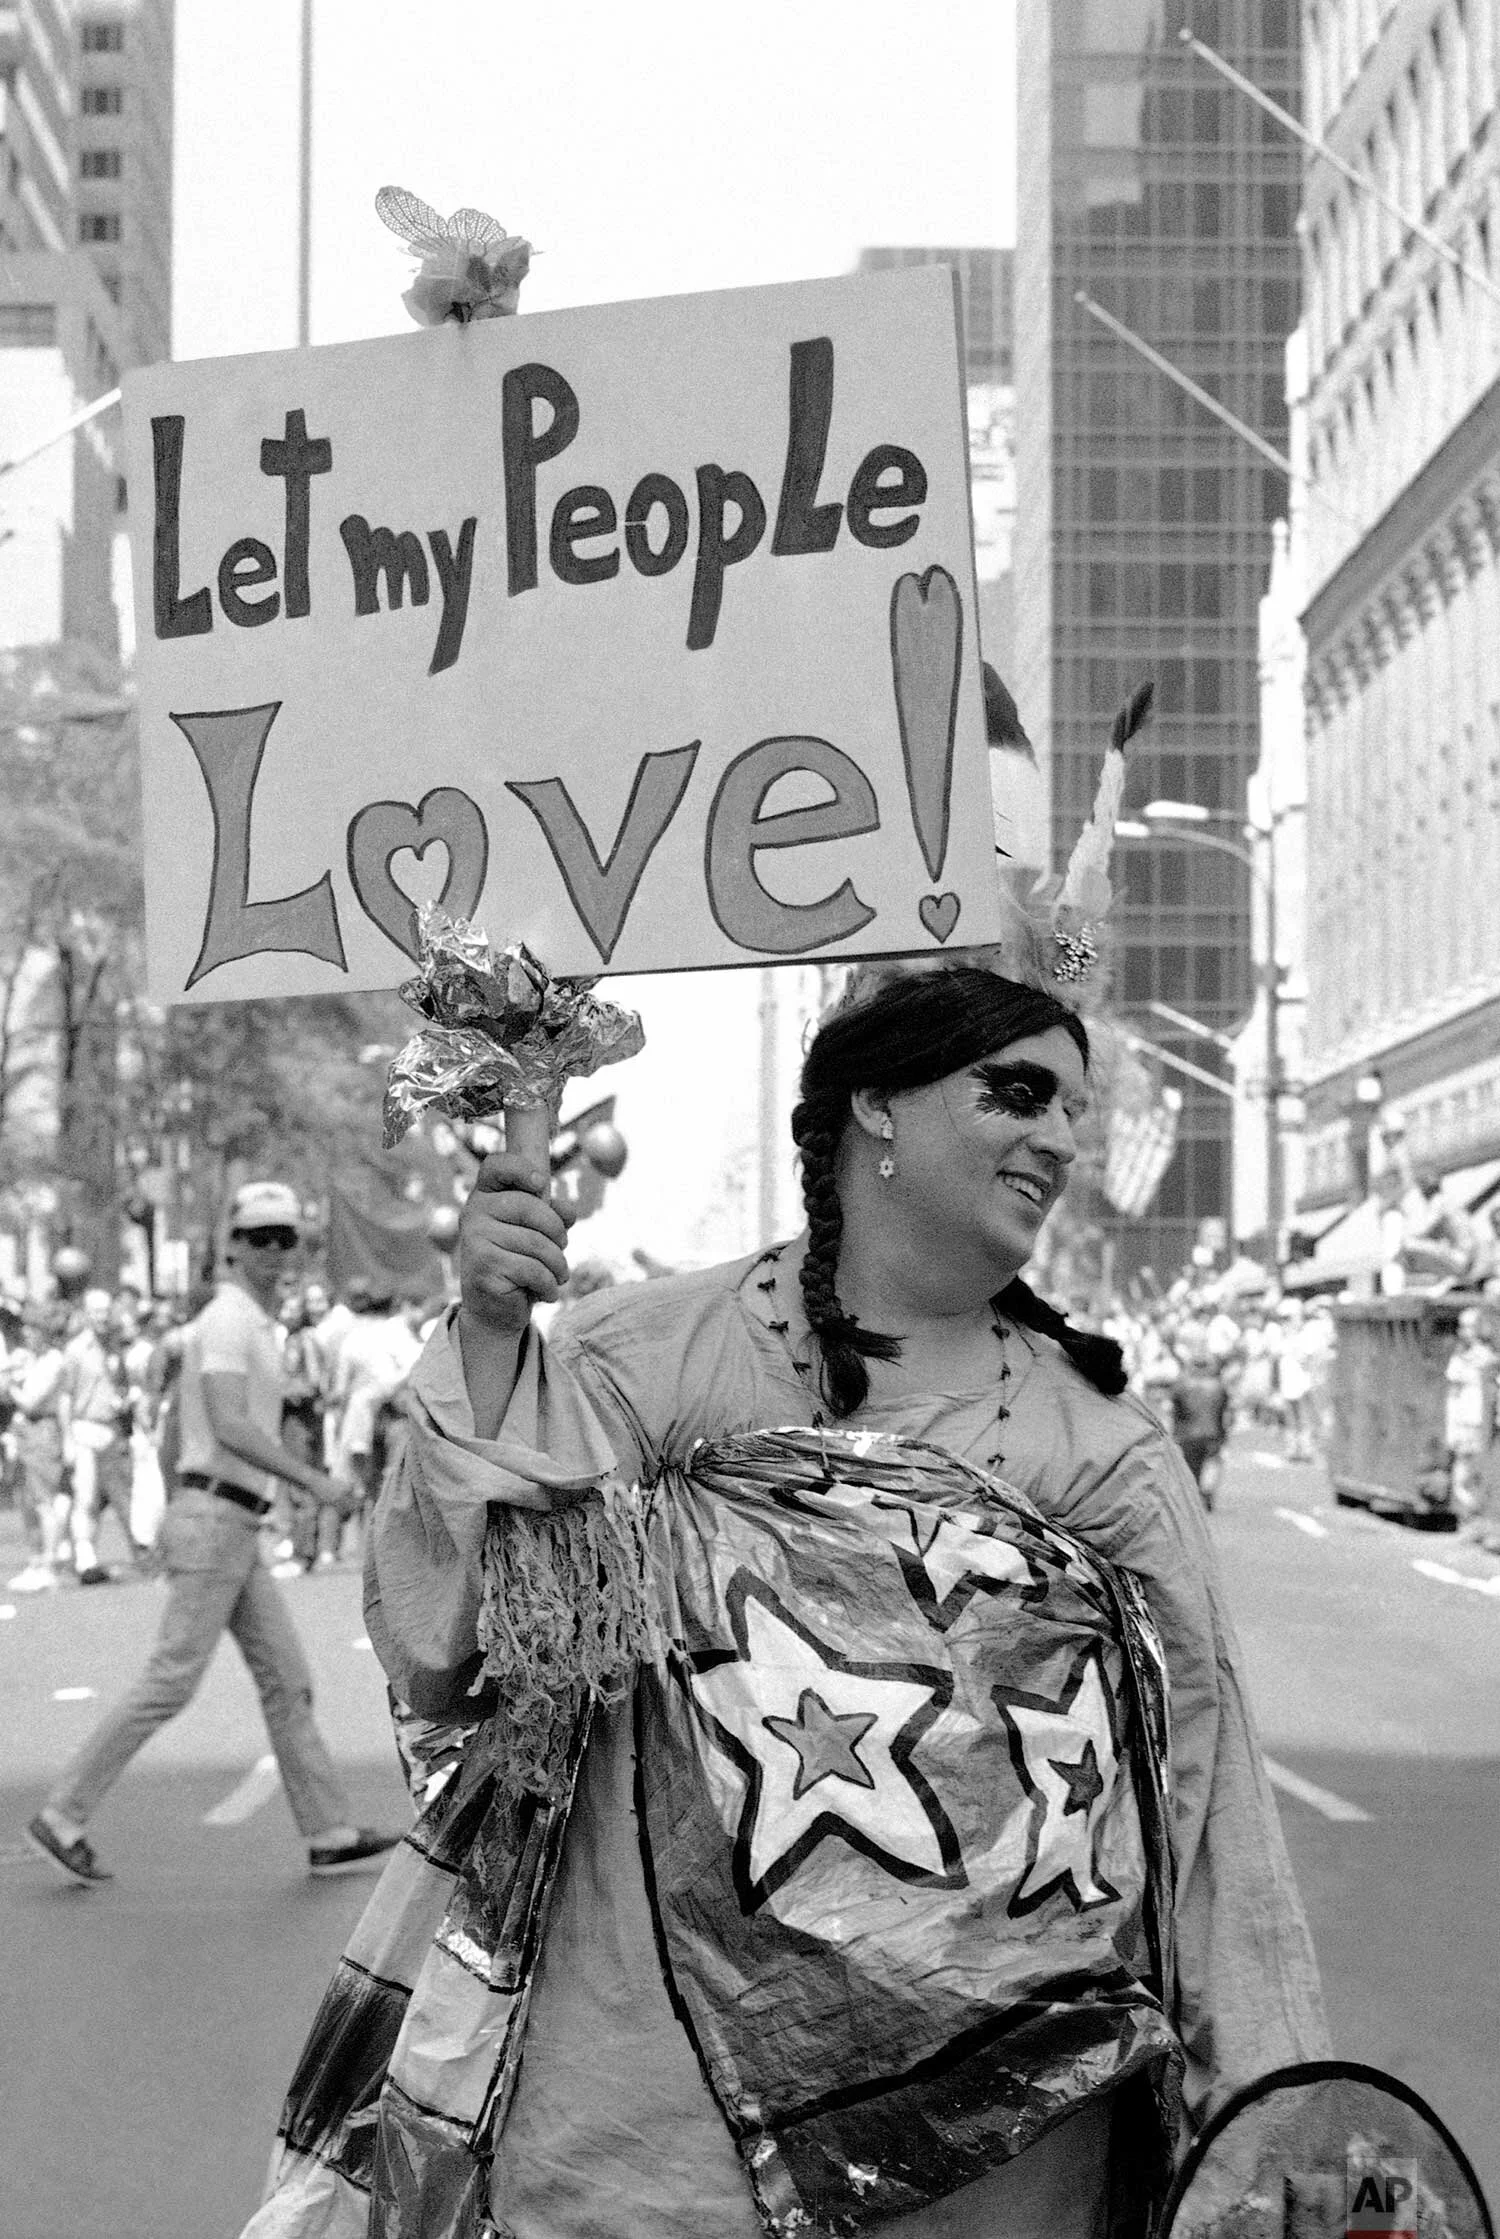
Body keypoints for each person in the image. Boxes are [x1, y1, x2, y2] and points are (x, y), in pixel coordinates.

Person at [250, 968, 1327, 2239]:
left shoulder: (1107, 1455)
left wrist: (1268, 2122)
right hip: (657, 2160)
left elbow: (1207, 1807)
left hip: (1004, 2174)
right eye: (1018, 1092)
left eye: (1072, 1112)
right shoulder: (645, 1363)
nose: (1058, 1138)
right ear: (876, 1106)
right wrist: (490, 1328)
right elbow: (463, 1638)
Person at [26, 1181, 402, 1889]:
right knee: (172, 1680)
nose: (275, 1250)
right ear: (232, 1245)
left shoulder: (248, 1323)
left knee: (286, 1680)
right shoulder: (229, 1320)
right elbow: (229, 1423)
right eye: (260, 1236)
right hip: (217, 1519)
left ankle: (328, 1831)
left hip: (227, 1520)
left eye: (285, 1237)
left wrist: (179, 1505)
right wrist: (312, 1481)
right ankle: (63, 1813)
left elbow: (182, 1424)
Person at [57, 1287, 139, 1582]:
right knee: (85, 1495)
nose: (102, 1316)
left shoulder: (114, 1346)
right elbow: (65, 1397)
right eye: (96, 1311)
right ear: (86, 1314)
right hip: (85, 1428)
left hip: (112, 1429)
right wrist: (67, 1439)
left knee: (115, 1497)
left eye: (106, 1310)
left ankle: (86, 1551)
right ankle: (84, 1557)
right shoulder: (77, 1350)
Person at [1166, 1340, 1233, 1510]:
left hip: (1187, 1434)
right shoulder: (1219, 1386)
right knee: (1212, 1462)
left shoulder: (1181, 1385)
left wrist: (1174, 1433)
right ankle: (1206, 1492)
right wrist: (1225, 1433)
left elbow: (1175, 1412)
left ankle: (1195, 1495)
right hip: (1212, 1433)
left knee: (1192, 1467)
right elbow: (1225, 1413)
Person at [1443, 1304, 1496, 1517]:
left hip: (1486, 1419)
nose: (1466, 1332)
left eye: (1471, 1326)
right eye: (1463, 1327)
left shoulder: (1490, 1357)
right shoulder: (1459, 1359)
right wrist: (1452, 1425)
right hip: (1466, 1418)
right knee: (1464, 1464)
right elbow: (1453, 1395)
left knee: (1483, 1465)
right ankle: (1466, 1509)